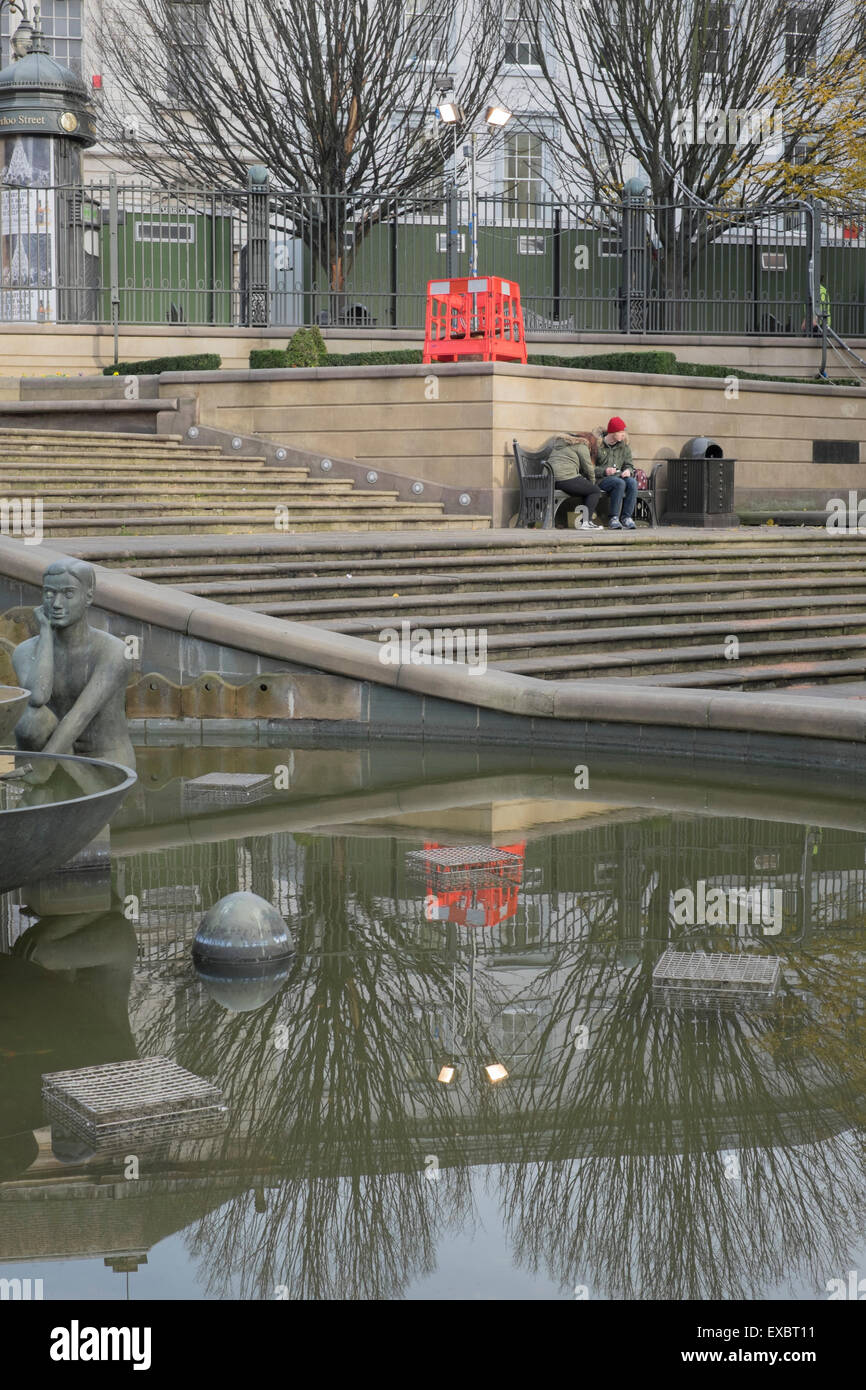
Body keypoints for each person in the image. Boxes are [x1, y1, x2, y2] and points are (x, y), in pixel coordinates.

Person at [546, 433, 604, 529]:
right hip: (565, 478)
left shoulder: (560, 445)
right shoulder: (582, 446)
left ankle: (585, 521)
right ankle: (586, 522)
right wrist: (592, 483)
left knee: (587, 489)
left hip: (550, 479)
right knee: (594, 491)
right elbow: (589, 468)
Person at [595, 416, 637, 530]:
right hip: (602, 479)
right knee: (619, 483)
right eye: (621, 432)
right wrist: (605, 471)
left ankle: (626, 518)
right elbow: (589, 468)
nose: (624, 435)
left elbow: (629, 464)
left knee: (632, 482)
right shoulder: (598, 446)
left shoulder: (624, 447)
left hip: (619, 477)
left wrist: (628, 471)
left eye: (624, 432)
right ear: (613, 432)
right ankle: (613, 518)